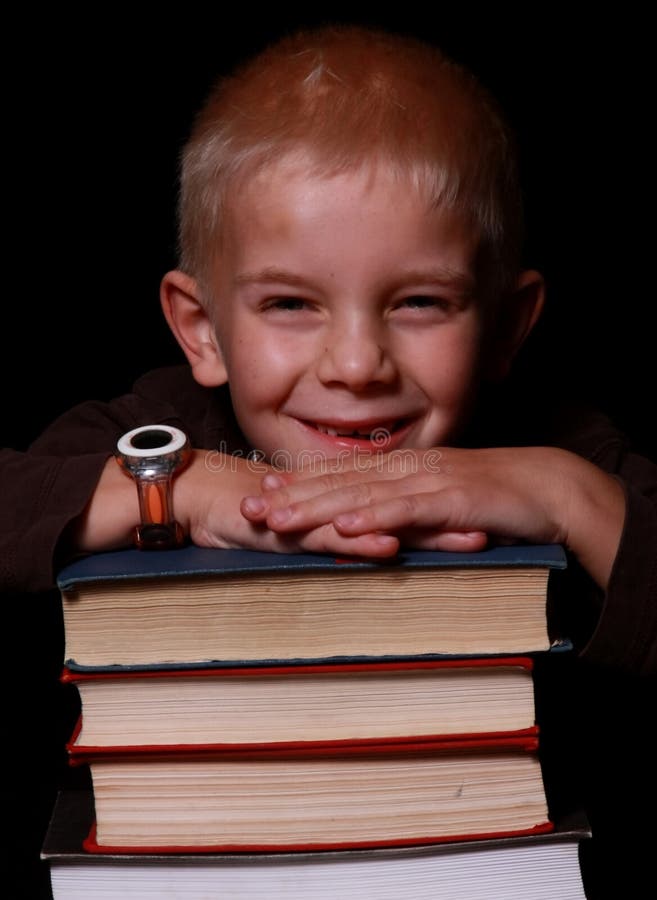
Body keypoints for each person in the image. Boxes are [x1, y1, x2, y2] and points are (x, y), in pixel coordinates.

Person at [2, 23, 655, 896]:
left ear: (503, 325)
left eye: (420, 302)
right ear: (202, 330)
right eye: (290, 304)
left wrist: (570, 494)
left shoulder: (557, 438)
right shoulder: (160, 426)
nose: (356, 366)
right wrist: (180, 488)